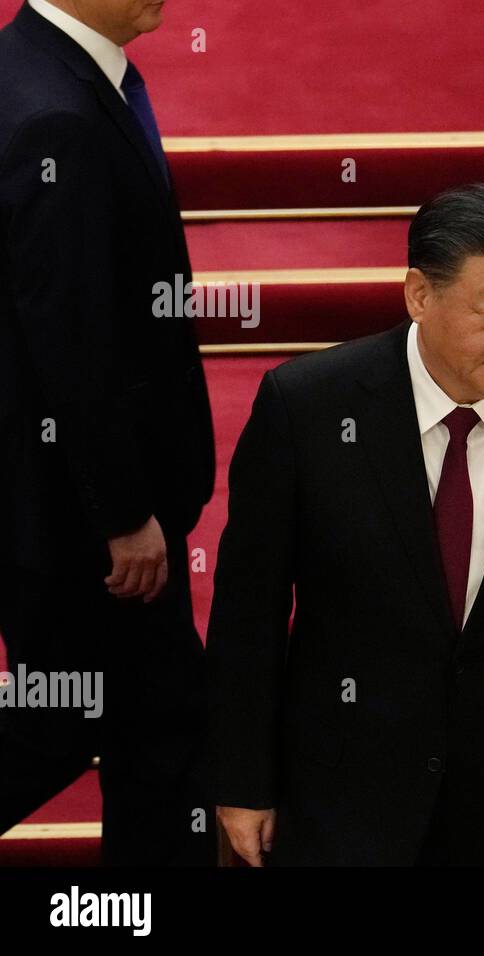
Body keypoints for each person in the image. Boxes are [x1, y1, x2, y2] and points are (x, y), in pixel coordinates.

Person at [207, 183, 484, 867]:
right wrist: (242, 781)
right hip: (343, 800)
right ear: (420, 295)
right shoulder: (309, 409)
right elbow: (250, 616)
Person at [0, 0, 216, 865]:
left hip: (64, 497)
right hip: (76, 517)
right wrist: (122, 513)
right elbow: (71, 335)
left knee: (158, 733)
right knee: (71, 722)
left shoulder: (56, 72)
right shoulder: (55, 112)